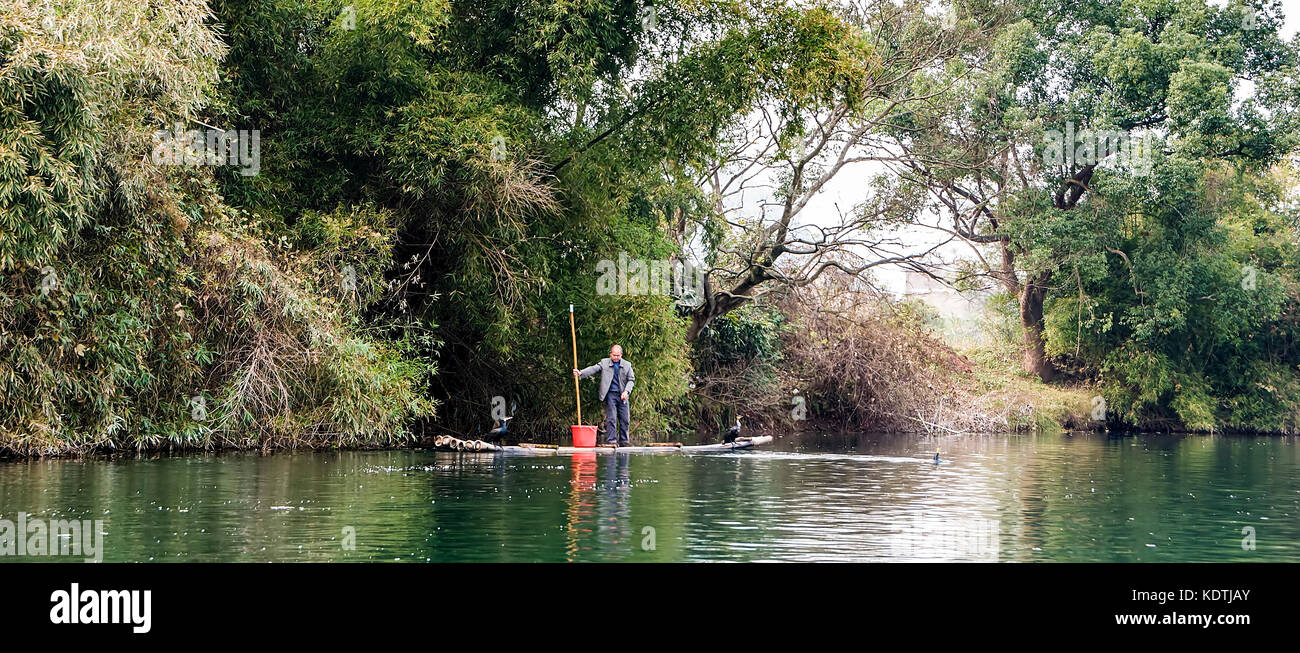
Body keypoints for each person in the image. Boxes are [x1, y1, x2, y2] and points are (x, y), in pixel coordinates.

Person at [573, 345, 635, 446]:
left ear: (621, 355)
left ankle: (624, 441)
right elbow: (593, 369)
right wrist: (580, 373)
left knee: (625, 419)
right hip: (610, 394)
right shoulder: (604, 362)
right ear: (610, 354)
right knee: (611, 418)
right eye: (614, 355)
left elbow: (631, 380)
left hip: (623, 394)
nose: (615, 357)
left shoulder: (627, 365)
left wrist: (626, 391)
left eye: (618, 356)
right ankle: (611, 441)